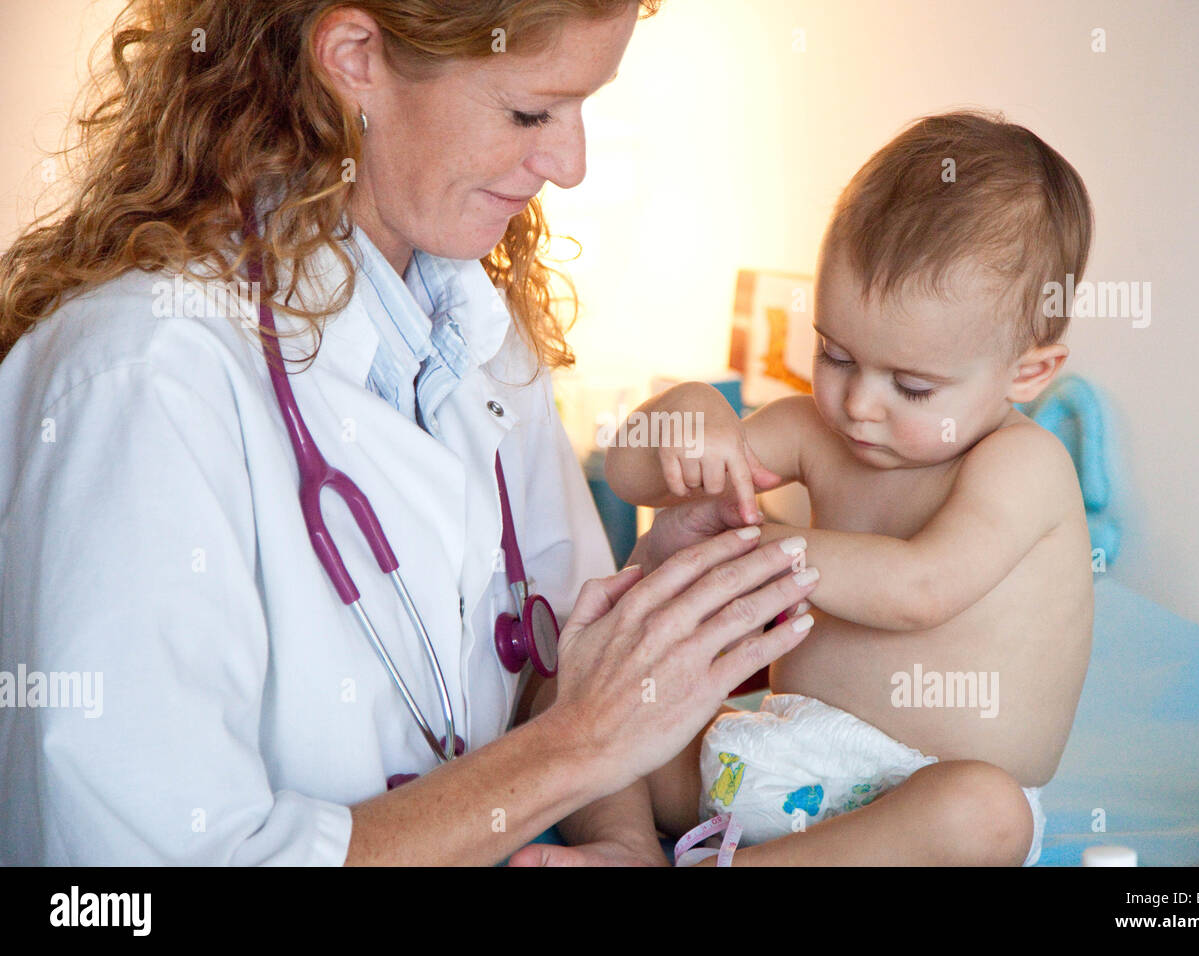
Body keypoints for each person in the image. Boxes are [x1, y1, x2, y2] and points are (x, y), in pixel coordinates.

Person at [0, 0, 821, 866]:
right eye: (529, 112)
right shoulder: (139, 377)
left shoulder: (482, 336)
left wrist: (620, 825)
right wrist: (582, 741)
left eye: (585, 106)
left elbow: (555, 676)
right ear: (355, 57)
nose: (570, 163)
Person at [600, 111, 1096, 866]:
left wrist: (759, 549)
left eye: (912, 386)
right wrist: (689, 413)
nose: (861, 404)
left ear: (1027, 373)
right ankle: (626, 844)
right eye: (835, 356)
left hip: (913, 808)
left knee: (988, 813)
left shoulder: (1022, 465)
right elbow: (631, 473)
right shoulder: (814, 430)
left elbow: (918, 590)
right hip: (770, 764)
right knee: (579, 695)